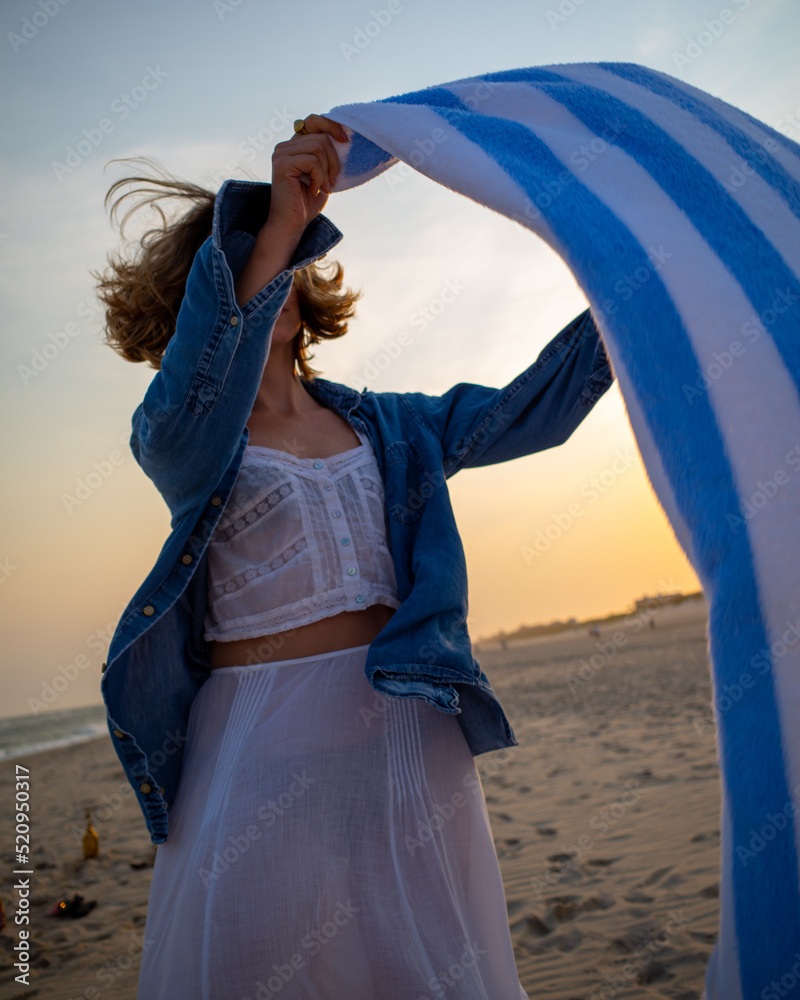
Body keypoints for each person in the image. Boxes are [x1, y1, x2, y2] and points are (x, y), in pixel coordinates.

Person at [96, 114, 614, 999]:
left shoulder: (396, 425)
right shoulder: (176, 438)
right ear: (199, 302)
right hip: (260, 745)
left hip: (411, 733)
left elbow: (541, 408)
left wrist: (631, 281)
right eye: (240, 261)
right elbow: (198, 387)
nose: (270, 269)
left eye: (281, 258)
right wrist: (281, 222)